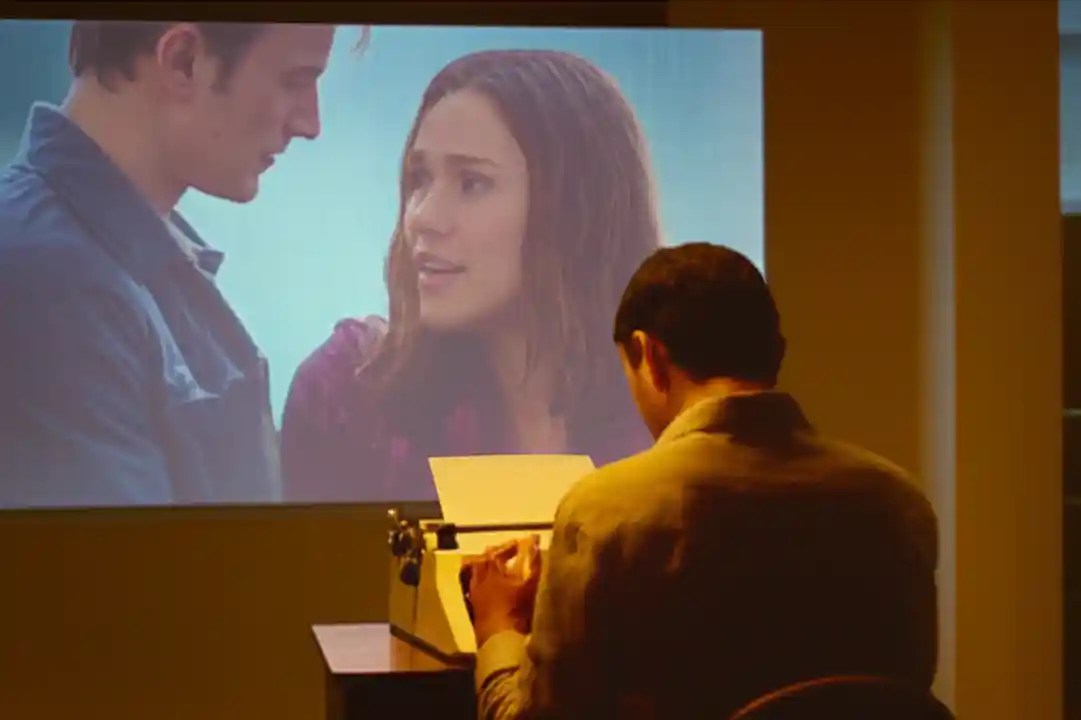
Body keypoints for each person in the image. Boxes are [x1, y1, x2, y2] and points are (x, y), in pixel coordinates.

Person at [466, 243, 940, 719]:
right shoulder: (900, 503)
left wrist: (498, 626)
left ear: (649, 354)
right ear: (775, 354)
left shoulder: (604, 512)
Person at [280, 50, 658, 504]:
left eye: (472, 183)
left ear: (577, 210)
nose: (422, 217)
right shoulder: (346, 397)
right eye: (419, 179)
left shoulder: (681, 420)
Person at [0, 21, 336, 507]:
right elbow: (134, 555)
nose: (310, 124)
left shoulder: (116, 259)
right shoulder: (49, 284)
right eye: (294, 80)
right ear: (183, 61)